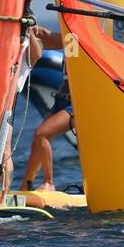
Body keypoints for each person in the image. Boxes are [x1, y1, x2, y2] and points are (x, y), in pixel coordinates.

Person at [21, 26, 72, 192]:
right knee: (38, 141)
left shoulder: (82, 40)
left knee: (41, 134)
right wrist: (25, 24)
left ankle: (49, 182)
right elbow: (44, 34)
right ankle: (26, 185)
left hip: (76, 103)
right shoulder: (71, 39)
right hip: (61, 100)